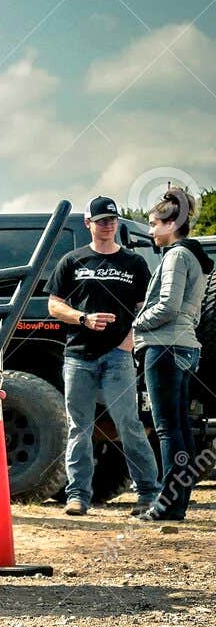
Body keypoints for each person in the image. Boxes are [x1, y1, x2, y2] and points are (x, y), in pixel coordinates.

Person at [46, 195, 161, 516]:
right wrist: (83, 318)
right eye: (101, 221)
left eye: (112, 220)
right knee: (79, 427)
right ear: (89, 224)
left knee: (129, 424)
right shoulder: (72, 260)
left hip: (118, 357)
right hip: (78, 357)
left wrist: (130, 340)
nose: (108, 226)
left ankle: (149, 494)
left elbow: (145, 309)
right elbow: (54, 304)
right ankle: (78, 496)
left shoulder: (134, 263)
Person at [133, 188, 212, 522]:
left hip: (165, 346)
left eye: (153, 224)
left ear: (171, 223)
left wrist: (134, 324)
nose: (150, 231)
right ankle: (176, 503)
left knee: (168, 429)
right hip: (185, 345)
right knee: (179, 427)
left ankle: (167, 504)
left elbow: (168, 305)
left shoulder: (177, 256)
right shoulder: (195, 256)